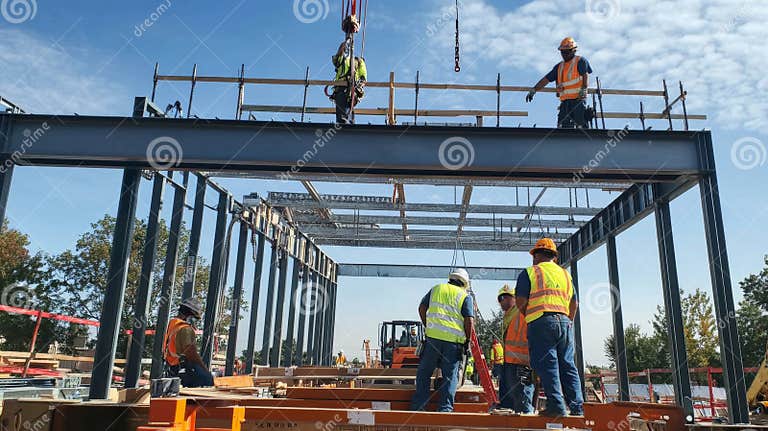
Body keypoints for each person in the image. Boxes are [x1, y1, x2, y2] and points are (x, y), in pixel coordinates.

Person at [515, 238, 583, 417]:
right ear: (554, 256)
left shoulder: (530, 272)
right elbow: (574, 303)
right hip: (564, 322)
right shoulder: (565, 274)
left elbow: (520, 301)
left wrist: (531, 316)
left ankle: (557, 406)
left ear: (536, 255)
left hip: (541, 322)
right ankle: (578, 408)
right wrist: (568, 321)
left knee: (547, 364)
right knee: (568, 365)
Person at [411, 268, 475, 412]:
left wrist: (428, 325)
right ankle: (445, 410)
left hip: (433, 340)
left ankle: (419, 407)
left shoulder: (436, 289)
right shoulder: (465, 296)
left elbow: (422, 308)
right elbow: (469, 320)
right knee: (450, 377)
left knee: (424, 373)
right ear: (465, 283)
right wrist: (468, 340)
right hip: (453, 343)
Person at [525, 37, 593, 128]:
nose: (564, 54)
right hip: (565, 102)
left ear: (573, 51)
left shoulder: (580, 61)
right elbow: (546, 79)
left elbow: (585, 75)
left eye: (566, 52)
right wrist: (534, 90)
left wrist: (584, 88)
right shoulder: (559, 67)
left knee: (581, 125)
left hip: (578, 100)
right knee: (563, 127)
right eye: (562, 52)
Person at [497, 284, 535, 413]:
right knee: (512, 397)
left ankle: (527, 419)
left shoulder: (521, 312)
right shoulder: (508, 316)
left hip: (522, 362)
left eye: (504, 297)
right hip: (510, 361)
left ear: (514, 298)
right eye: (500, 299)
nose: (501, 301)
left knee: (522, 398)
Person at [163, 298, 214, 387]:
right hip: (185, 370)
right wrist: (205, 369)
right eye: (195, 318)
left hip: (172, 368)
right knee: (207, 379)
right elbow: (191, 354)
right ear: (190, 315)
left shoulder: (173, 324)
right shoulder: (186, 329)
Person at [330, 17, 367, 125]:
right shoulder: (342, 59)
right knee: (342, 117)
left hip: (353, 90)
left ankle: (348, 127)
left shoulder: (359, 61)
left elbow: (363, 77)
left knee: (348, 114)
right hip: (341, 88)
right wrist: (346, 41)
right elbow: (337, 57)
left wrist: (358, 86)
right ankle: (344, 127)